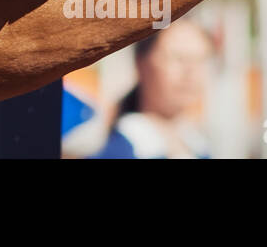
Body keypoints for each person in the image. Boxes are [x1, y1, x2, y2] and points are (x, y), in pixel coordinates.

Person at [90, 20, 215, 159]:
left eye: (200, 59)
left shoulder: (199, 146)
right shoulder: (117, 150)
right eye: (178, 58)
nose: (190, 71)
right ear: (141, 63)